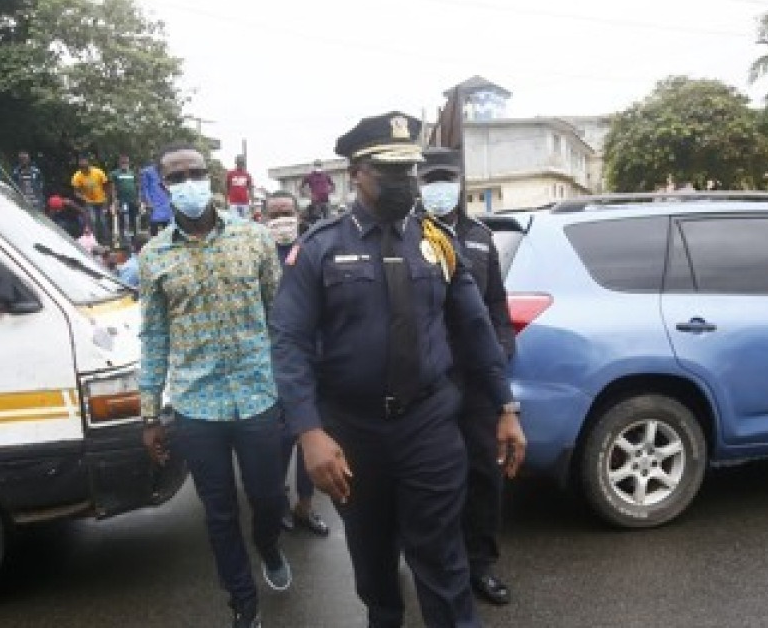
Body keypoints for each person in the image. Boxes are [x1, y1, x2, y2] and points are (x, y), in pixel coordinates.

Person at [271, 111, 526, 628]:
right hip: (352, 431)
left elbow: (477, 329)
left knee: (442, 560)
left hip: (428, 424)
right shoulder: (320, 248)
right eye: (391, 172)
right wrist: (309, 431)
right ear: (357, 173)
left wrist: (506, 406)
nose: (405, 183)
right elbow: (289, 343)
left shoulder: (439, 243)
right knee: (372, 561)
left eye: (409, 171)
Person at [138, 143, 290, 628]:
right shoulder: (153, 256)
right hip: (196, 406)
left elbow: (281, 318)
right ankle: (242, 601)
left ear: (214, 177)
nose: (188, 183)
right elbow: (154, 336)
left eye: (196, 172)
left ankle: (268, 542)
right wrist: (149, 414)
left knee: (269, 497)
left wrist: (294, 388)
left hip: (258, 397)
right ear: (164, 188)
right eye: (176, 177)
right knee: (219, 513)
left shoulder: (255, 240)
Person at [419, 147, 517, 606]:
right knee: (432, 475)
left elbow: (496, 302)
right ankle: (432, 559)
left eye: (446, 178)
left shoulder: (480, 236)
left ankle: (480, 564)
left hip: (476, 378)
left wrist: (501, 347)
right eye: (430, 178)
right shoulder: (407, 234)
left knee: (484, 473)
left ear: (459, 183)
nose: (438, 187)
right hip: (429, 378)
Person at [263, 191, 329, 537]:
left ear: (298, 214)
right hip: (271, 364)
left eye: (286, 212)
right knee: (279, 443)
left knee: (311, 433)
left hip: (313, 361)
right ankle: (278, 505)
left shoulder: (313, 250)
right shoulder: (257, 256)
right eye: (274, 214)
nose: (281, 220)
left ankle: (306, 506)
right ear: (263, 218)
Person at [71, 155, 112, 246]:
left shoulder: (98, 172)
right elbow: (76, 192)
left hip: (101, 200)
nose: (84, 169)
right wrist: (84, 198)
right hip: (89, 202)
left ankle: (106, 242)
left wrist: (107, 200)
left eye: (85, 167)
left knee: (102, 221)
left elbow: (107, 186)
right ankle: (95, 242)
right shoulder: (77, 176)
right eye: (81, 167)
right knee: (92, 220)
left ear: (89, 165)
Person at [110, 154, 141, 243]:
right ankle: (123, 240)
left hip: (133, 200)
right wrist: (114, 200)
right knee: (123, 220)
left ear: (128, 162)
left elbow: (137, 186)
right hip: (122, 201)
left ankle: (135, 239)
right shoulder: (115, 173)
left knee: (134, 220)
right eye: (122, 162)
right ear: (119, 163)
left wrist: (139, 199)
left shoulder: (132, 173)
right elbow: (113, 188)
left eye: (126, 162)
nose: (124, 164)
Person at [140, 159, 173, 234]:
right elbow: (145, 189)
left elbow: (169, 187)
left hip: (166, 204)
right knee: (154, 228)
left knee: (167, 229)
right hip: (154, 204)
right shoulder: (147, 172)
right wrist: (148, 202)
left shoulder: (166, 171)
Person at [299, 159, 335, 228]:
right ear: (314, 166)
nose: (318, 167)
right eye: (317, 165)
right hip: (316, 203)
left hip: (326, 201)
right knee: (316, 221)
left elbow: (333, 185)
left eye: (319, 165)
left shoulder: (326, 175)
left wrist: (328, 192)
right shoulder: (309, 176)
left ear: (321, 166)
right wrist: (309, 196)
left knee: (328, 221)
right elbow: (301, 187)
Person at [225, 155, 255, 219]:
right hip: (233, 203)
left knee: (245, 223)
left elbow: (250, 189)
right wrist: (226, 200)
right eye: (239, 163)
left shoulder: (247, 175)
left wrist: (252, 202)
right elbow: (227, 188)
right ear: (236, 163)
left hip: (245, 203)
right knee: (235, 222)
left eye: (241, 163)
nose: (240, 164)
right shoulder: (230, 174)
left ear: (244, 164)